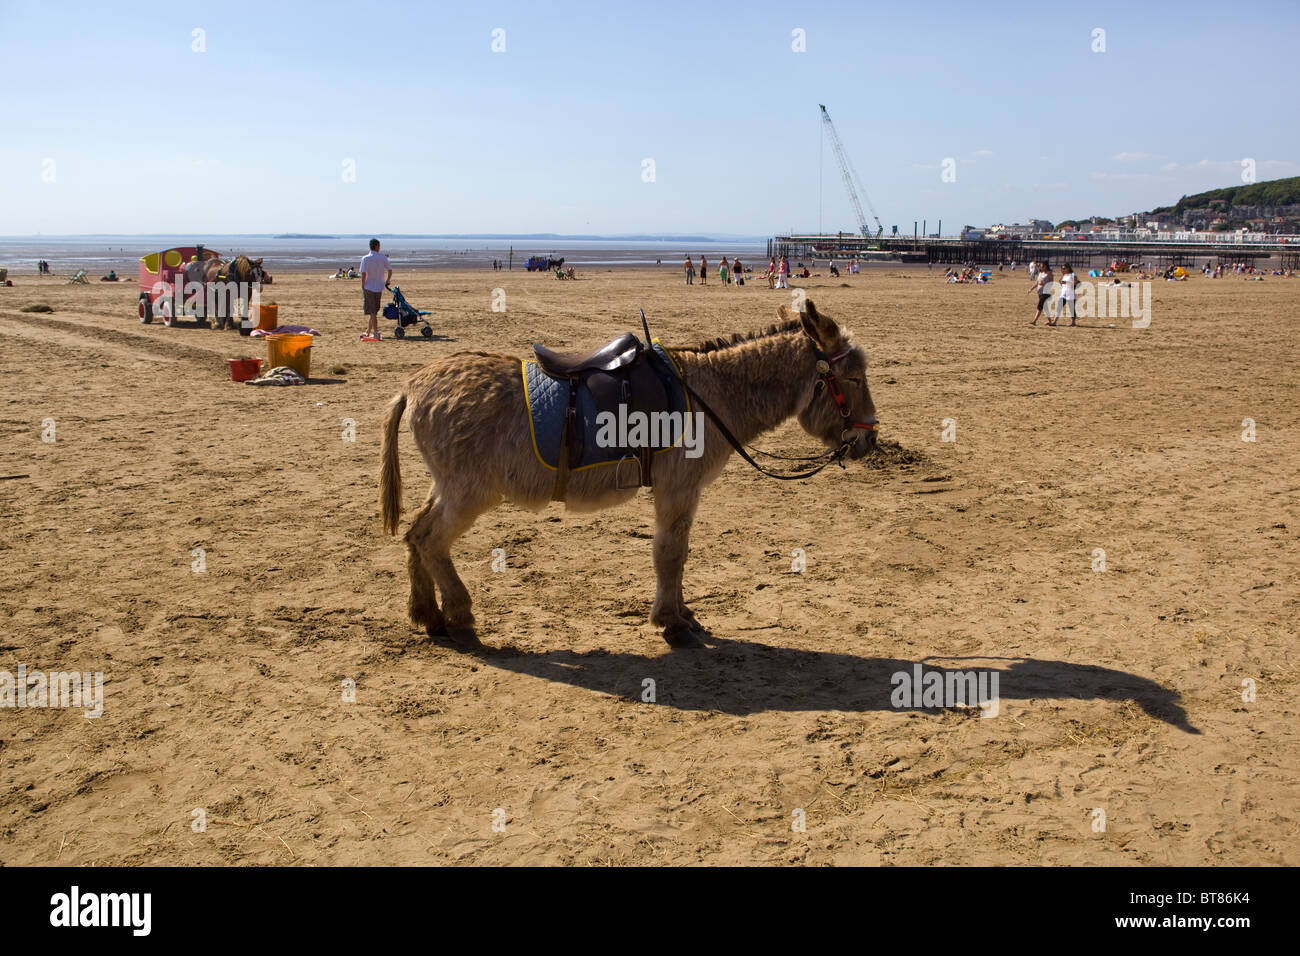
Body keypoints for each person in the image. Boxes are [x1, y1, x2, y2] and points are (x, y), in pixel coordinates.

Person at [360, 238, 391, 340]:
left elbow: (363, 273)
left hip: (369, 287)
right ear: (376, 246)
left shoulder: (365, 258)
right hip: (379, 287)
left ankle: (376, 332)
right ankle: (368, 331)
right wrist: (387, 281)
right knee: (373, 311)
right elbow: (390, 270)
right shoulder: (382, 257)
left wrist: (363, 284)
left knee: (372, 311)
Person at [1029, 261, 1054, 326]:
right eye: (1040, 266)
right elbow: (1037, 283)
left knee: (1039, 306)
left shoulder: (1049, 273)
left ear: (1046, 266)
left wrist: (1044, 284)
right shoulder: (1040, 273)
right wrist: (1031, 289)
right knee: (1045, 307)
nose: (1041, 267)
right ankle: (1050, 321)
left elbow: (1051, 283)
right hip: (1040, 292)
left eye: (1042, 266)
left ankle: (1034, 321)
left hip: (1046, 292)